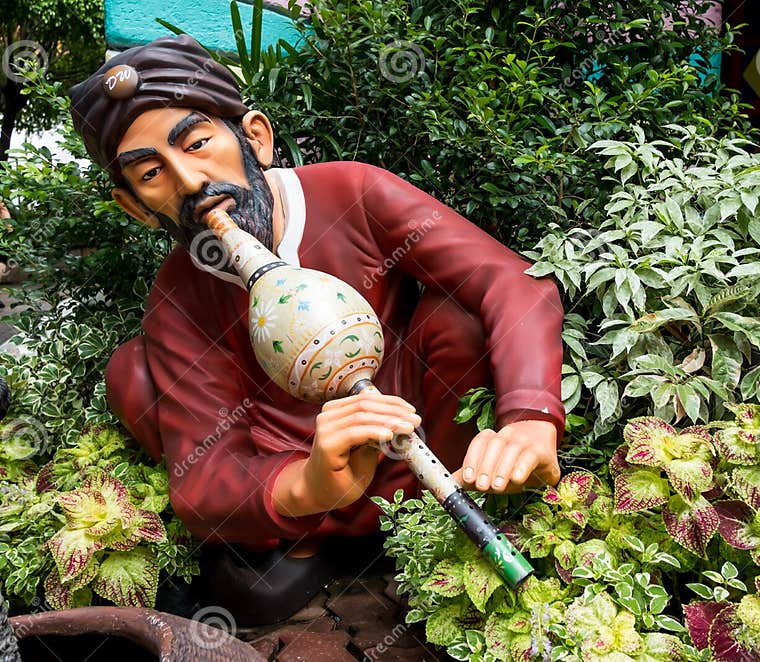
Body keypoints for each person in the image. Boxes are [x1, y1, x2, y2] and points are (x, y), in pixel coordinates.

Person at [67, 35, 565, 623]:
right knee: (132, 371)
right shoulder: (179, 296)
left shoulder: (351, 192)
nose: (192, 182)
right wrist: (307, 487)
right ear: (136, 206)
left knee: (458, 315)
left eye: (198, 144)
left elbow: (511, 281)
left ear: (256, 137)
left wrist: (530, 417)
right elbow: (202, 475)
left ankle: (448, 510)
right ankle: (314, 538)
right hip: (304, 481)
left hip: (414, 448)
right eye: (152, 173)